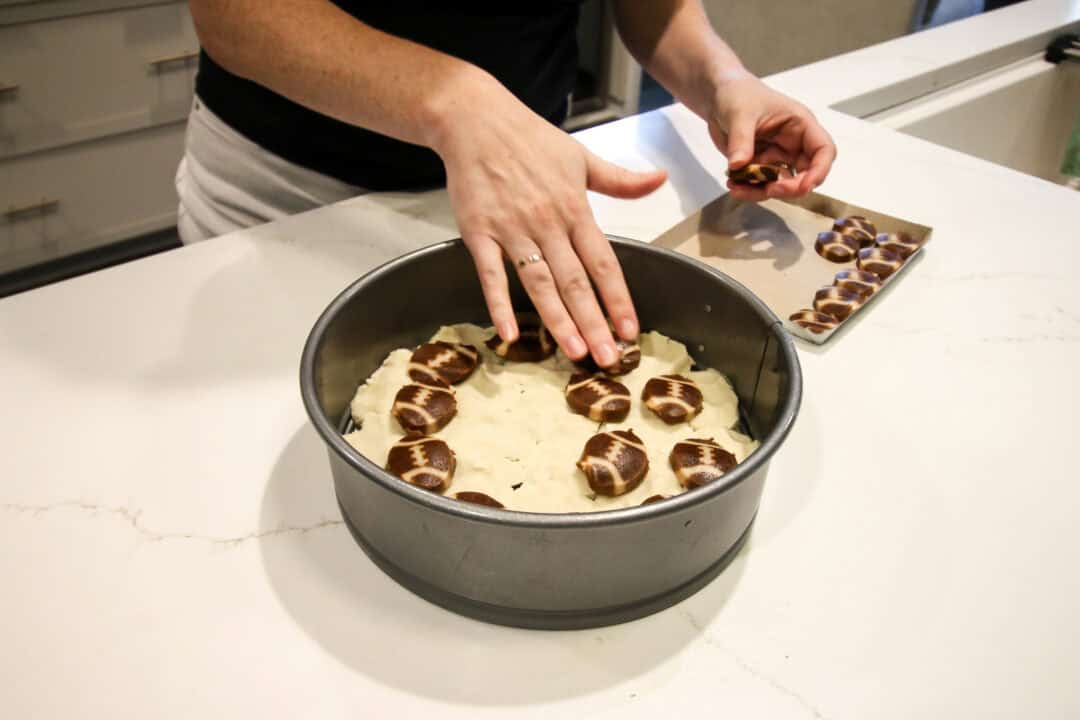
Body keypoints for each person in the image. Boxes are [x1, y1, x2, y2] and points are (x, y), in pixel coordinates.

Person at [180, 1, 836, 368]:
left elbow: (651, 6)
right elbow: (235, 15)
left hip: (526, 191)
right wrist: (457, 103)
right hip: (295, 204)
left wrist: (721, 78)